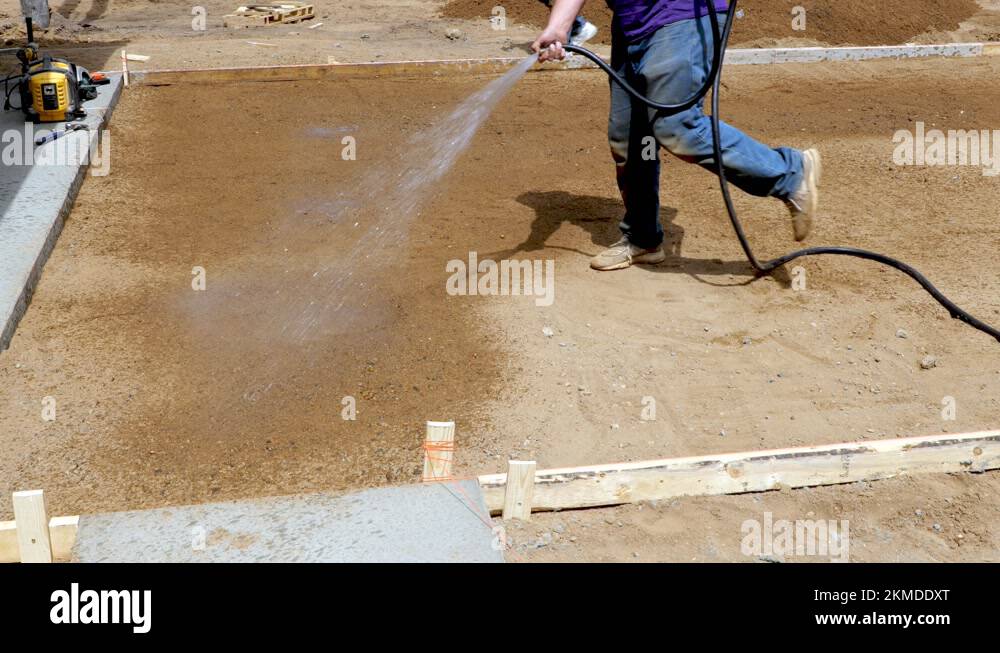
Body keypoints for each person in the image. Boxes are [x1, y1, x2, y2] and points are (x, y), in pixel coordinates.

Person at [531, 0, 821, 271]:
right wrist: (559, 26)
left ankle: (788, 173)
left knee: (678, 125)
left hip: (681, 15)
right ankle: (643, 237)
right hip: (631, 24)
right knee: (629, 138)